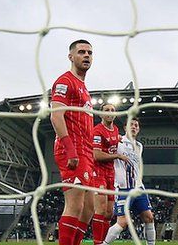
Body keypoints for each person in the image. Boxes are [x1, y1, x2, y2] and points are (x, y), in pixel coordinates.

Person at [50, 39, 99, 245]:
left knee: (89, 208)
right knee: (75, 205)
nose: (86, 55)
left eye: (89, 52)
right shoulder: (65, 81)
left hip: (86, 153)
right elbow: (56, 116)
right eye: (81, 52)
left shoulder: (84, 88)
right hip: (72, 150)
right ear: (71, 57)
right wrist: (70, 149)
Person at [103, 117, 155, 245]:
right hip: (123, 188)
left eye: (136, 125)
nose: (134, 127)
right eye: (131, 125)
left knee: (149, 217)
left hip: (139, 188)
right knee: (123, 222)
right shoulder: (118, 141)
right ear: (125, 128)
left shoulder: (139, 146)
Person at [91, 103, 126, 245]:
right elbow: (97, 155)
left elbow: (115, 139)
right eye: (106, 110)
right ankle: (97, 242)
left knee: (109, 213)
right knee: (100, 210)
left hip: (111, 174)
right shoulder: (97, 131)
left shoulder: (116, 130)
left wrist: (122, 140)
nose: (110, 112)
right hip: (98, 172)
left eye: (112, 110)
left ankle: (104, 242)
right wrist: (117, 156)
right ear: (101, 114)